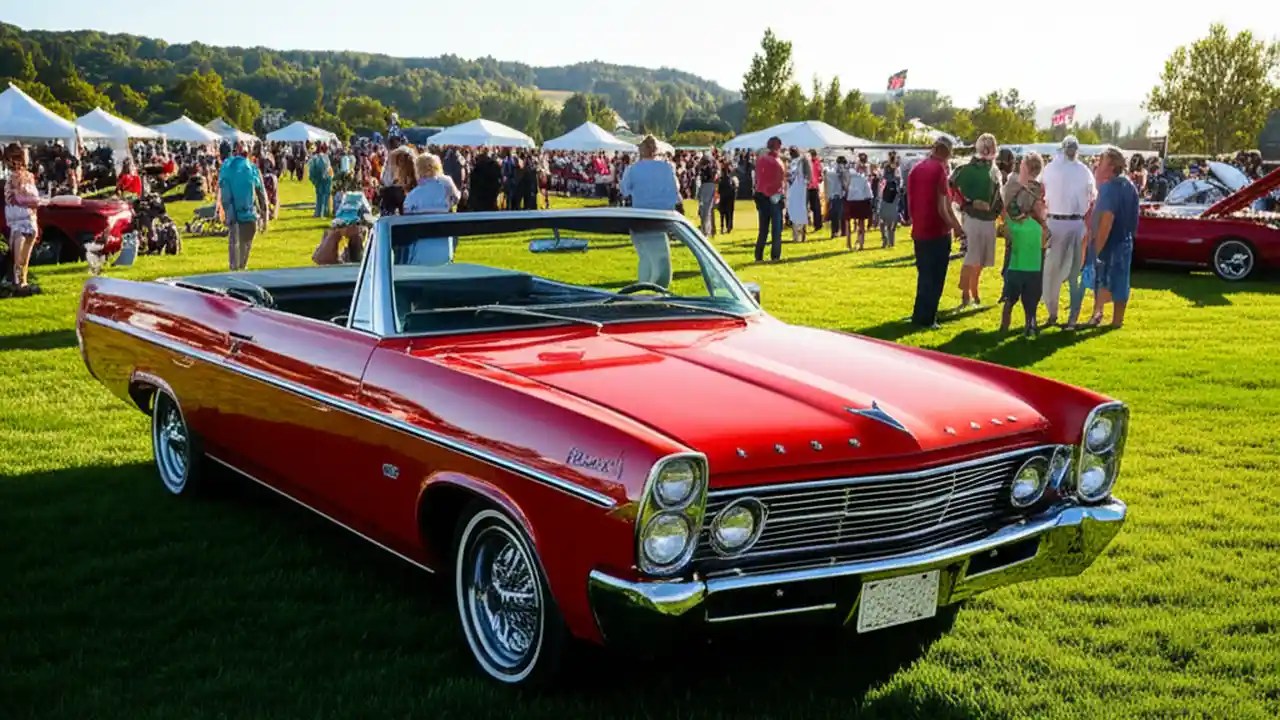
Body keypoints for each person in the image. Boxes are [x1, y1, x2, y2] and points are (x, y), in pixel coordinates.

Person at [1038, 136, 1097, 328]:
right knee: (1059, 272)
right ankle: (1059, 315)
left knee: (1064, 272)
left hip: (1066, 222)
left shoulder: (1060, 169)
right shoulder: (1080, 171)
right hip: (1065, 222)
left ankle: (1064, 316)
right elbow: (1091, 197)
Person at [907, 137, 964, 329]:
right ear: (947, 152)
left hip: (919, 230)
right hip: (936, 231)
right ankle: (929, 318)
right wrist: (957, 227)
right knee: (936, 277)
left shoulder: (917, 168)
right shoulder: (939, 170)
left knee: (924, 276)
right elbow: (943, 207)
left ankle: (918, 314)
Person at [1086, 148, 1139, 328]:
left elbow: (1107, 220)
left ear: (1110, 166)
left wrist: (1096, 249)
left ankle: (1097, 315)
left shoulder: (1109, 188)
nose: (1097, 166)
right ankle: (1117, 321)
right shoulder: (1130, 186)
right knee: (1121, 282)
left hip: (1110, 243)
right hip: (1125, 241)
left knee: (1103, 280)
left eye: (1100, 162)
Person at [619, 135, 682, 287]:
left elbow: (624, 190)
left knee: (646, 258)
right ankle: (655, 289)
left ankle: (646, 286)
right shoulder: (667, 167)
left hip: (640, 217)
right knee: (661, 260)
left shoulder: (633, 169)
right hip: (661, 217)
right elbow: (676, 190)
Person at [950, 133, 1002, 306]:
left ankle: (974, 289)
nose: (988, 148)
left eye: (991, 145)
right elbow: (951, 188)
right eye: (986, 145)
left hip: (989, 219)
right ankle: (965, 294)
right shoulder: (964, 168)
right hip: (972, 217)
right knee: (972, 256)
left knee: (982, 259)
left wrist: (999, 211)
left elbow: (998, 196)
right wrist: (968, 203)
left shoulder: (994, 170)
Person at [1000, 152, 1049, 337]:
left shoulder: (1013, 191)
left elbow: (1006, 216)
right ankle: (1029, 325)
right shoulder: (1039, 193)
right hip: (1033, 263)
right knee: (1030, 300)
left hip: (1018, 261)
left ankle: (1006, 327)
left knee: (1011, 299)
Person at [218, 145, 267, 271]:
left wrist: (226, 210)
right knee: (246, 244)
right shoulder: (252, 168)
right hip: (250, 213)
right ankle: (242, 266)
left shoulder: (226, 168)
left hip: (233, 212)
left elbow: (225, 193)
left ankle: (235, 268)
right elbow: (261, 194)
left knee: (234, 244)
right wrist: (265, 215)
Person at [3, 143, 41, 292]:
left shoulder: (27, 177)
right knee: (19, 258)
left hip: (27, 220)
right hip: (21, 220)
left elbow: (31, 199)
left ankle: (21, 283)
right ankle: (19, 283)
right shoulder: (13, 179)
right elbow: (12, 199)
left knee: (23, 258)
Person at [753, 136, 786, 263]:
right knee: (776, 229)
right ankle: (775, 255)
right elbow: (780, 179)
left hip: (761, 195)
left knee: (763, 229)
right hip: (774, 197)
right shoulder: (778, 162)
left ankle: (758, 255)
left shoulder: (761, 160)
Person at [843, 159, 873, 250]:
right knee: (861, 223)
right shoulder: (863, 179)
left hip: (850, 201)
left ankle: (848, 243)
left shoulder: (848, 178)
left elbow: (845, 190)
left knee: (848, 223)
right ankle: (861, 243)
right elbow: (869, 194)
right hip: (861, 201)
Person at [785, 146, 810, 244]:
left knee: (802, 210)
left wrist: (806, 183)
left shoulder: (803, 160)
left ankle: (802, 233)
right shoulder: (791, 162)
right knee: (793, 211)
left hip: (801, 189)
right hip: (792, 189)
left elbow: (808, 174)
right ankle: (795, 235)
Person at [879, 157, 903, 248]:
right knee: (884, 221)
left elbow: (899, 181)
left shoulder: (896, 171)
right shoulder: (886, 170)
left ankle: (890, 241)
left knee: (889, 221)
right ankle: (886, 239)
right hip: (885, 197)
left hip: (892, 197)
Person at [307, 145, 333, 218]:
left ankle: (318, 213)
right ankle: (325, 212)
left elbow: (311, 170)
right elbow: (329, 169)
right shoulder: (326, 157)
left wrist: (313, 180)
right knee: (326, 195)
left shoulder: (314, 158)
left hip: (319, 179)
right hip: (327, 178)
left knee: (319, 196)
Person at [825, 158, 847, 240]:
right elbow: (844, 182)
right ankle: (840, 231)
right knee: (840, 214)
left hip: (832, 194)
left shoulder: (830, 171)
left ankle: (834, 231)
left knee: (834, 214)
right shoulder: (840, 170)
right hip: (840, 194)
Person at [696, 153, 718, 236]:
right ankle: (708, 229)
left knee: (705, 210)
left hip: (706, 187)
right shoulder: (713, 168)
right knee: (708, 210)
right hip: (710, 186)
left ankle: (705, 230)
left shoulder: (706, 169)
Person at [717, 161, 738, 233]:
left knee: (722, 214)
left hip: (723, 199)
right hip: (729, 199)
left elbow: (719, 191)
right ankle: (729, 226)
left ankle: (723, 227)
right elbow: (734, 190)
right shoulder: (732, 180)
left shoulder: (721, 180)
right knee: (729, 214)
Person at [807, 149, 823, 231]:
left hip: (809, 186)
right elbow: (820, 176)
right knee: (815, 207)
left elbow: (820, 176)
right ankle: (817, 224)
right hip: (813, 186)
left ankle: (816, 224)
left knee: (814, 207)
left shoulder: (814, 162)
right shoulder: (817, 163)